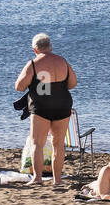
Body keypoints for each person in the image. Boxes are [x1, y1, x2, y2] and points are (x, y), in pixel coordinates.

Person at [13, 33, 77, 186]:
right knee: (59, 143)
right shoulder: (63, 61)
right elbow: (72, 83)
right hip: (62, 104)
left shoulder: (33, 64)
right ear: (50, 46)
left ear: (35, 49)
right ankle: (57, 180)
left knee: (37, 143)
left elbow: (19, 87)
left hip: (41, 106)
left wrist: (41, 84)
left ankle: (37, 178)